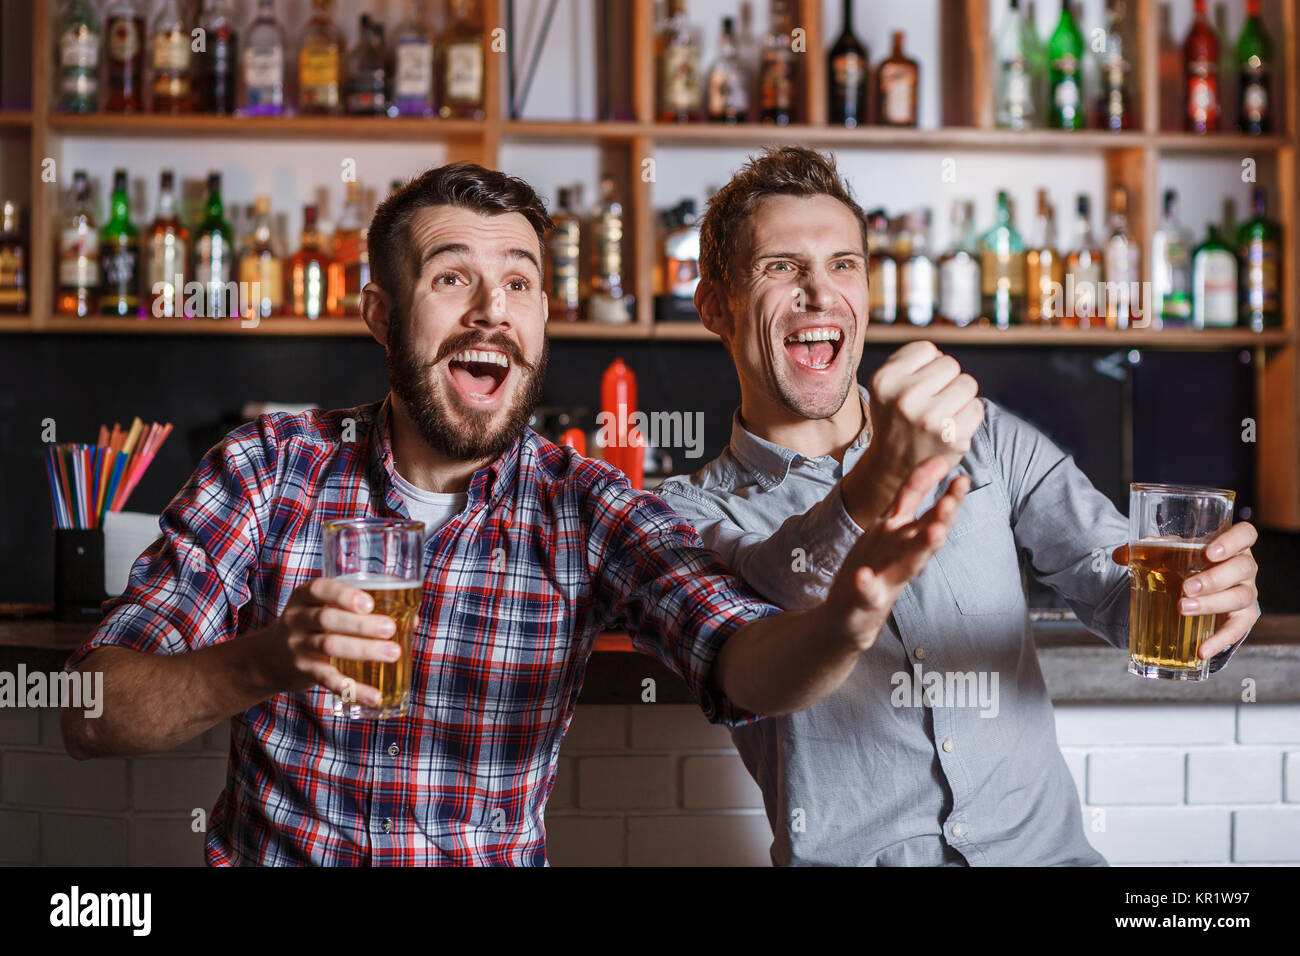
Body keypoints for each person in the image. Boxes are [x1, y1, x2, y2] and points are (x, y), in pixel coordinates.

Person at [61, 162, 968, 866]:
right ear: (381, 312)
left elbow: (746, 662)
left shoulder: (587, 507)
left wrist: (844, 619)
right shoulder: (267, 468)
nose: (493, 311)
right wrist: (266, 660)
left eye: (521, 284)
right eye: (452, 279)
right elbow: (91, 712)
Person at [657, 146, 1262, 866]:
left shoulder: (987, 436)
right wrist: (881, 478)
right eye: (781, 267)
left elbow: (1117, 583)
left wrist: (1209, 605)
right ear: (715, 306)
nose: (820, 293)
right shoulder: (684, 515)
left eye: (844, 263)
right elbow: (779, 599)